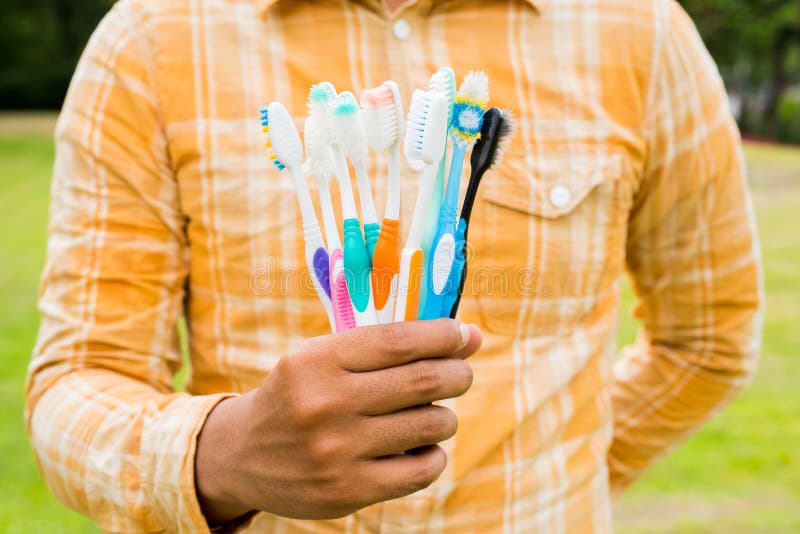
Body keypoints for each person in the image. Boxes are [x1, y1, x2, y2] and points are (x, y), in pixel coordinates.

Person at [25, 0, 763, 532]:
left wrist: (566, 476)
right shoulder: (151, 37)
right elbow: (74, 382)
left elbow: (710, 339)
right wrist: (224, 453)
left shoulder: (643, 29)